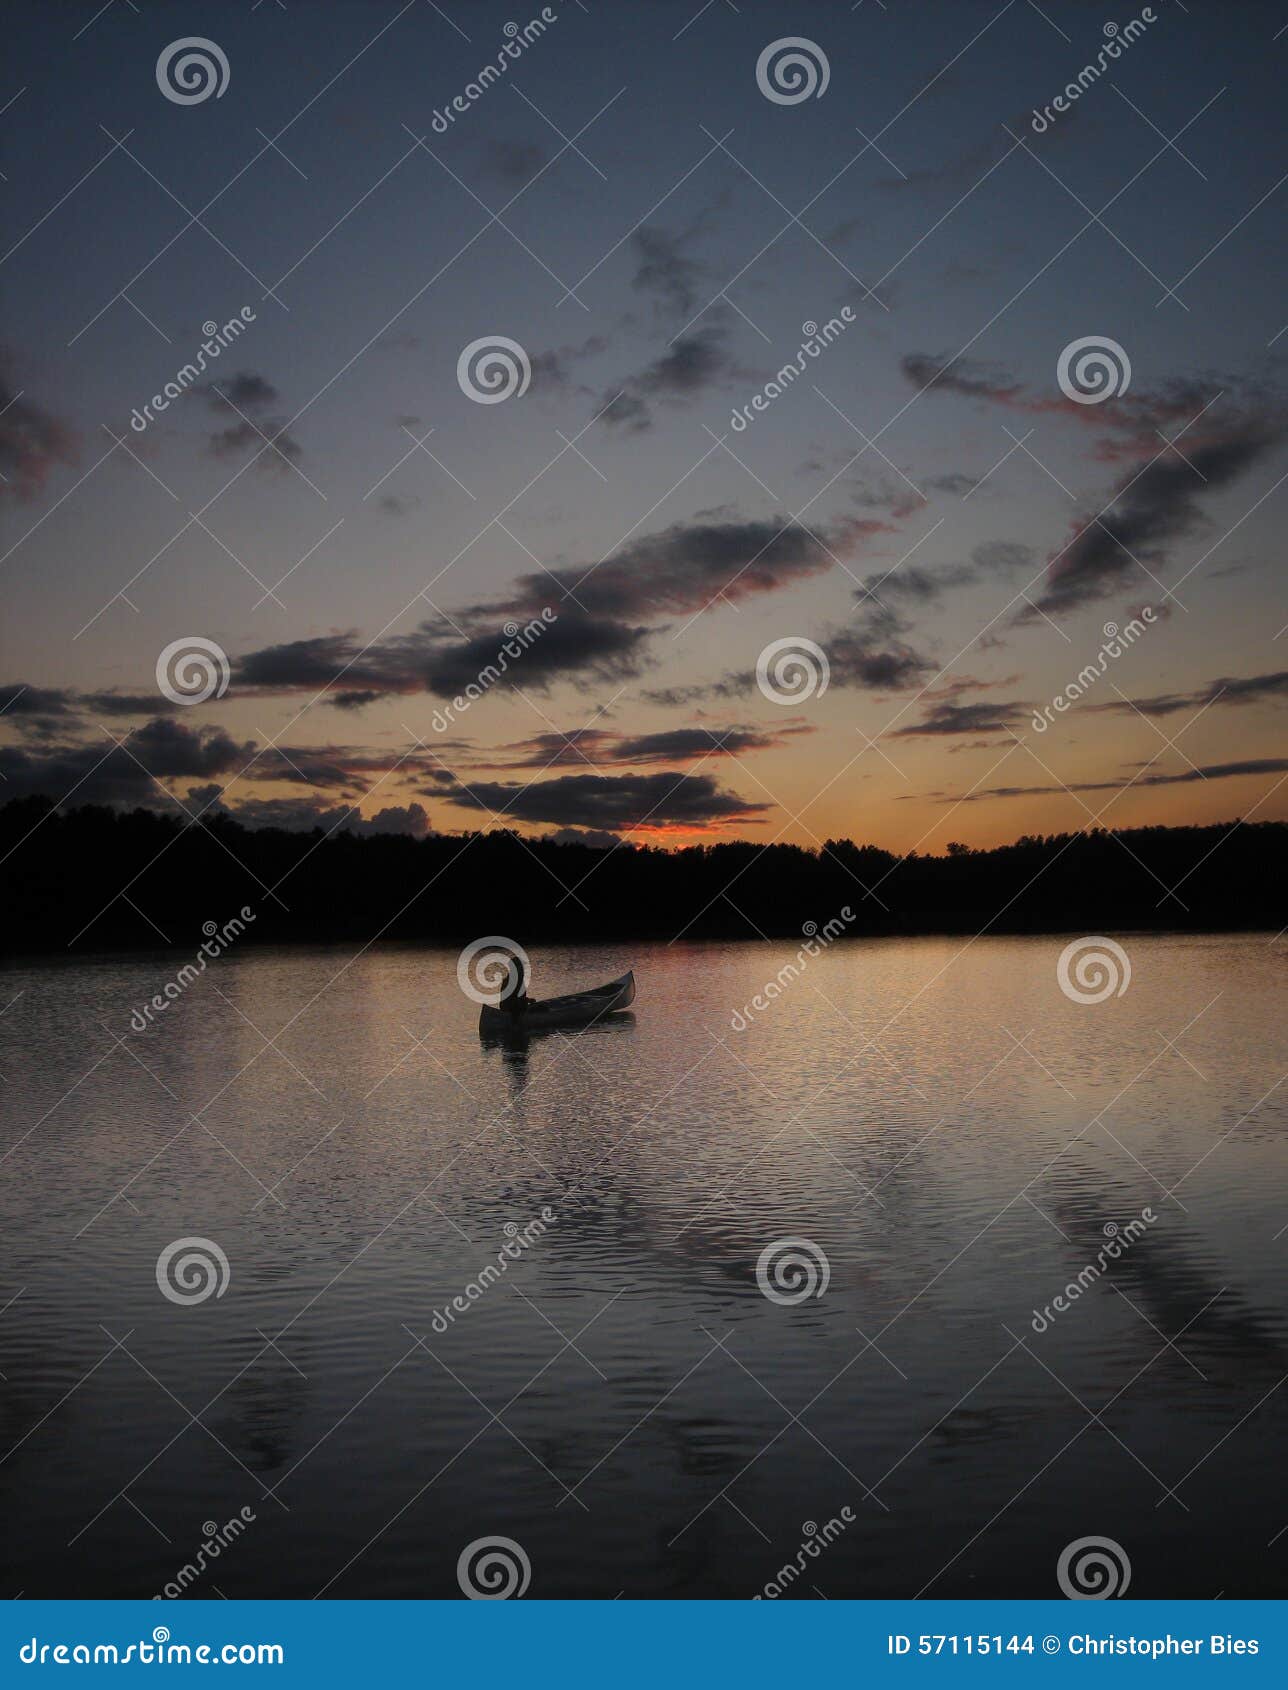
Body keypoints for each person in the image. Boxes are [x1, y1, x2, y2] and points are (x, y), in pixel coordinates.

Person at [501, 949, 531, 1021]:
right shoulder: (511, 982)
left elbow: (518, 998)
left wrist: (527, 1000)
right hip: (512, 1012)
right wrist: (526, 1001)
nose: (523, 969)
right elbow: (512, 1000)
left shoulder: (517, 979)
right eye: (521, 966)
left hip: (514, 1009)